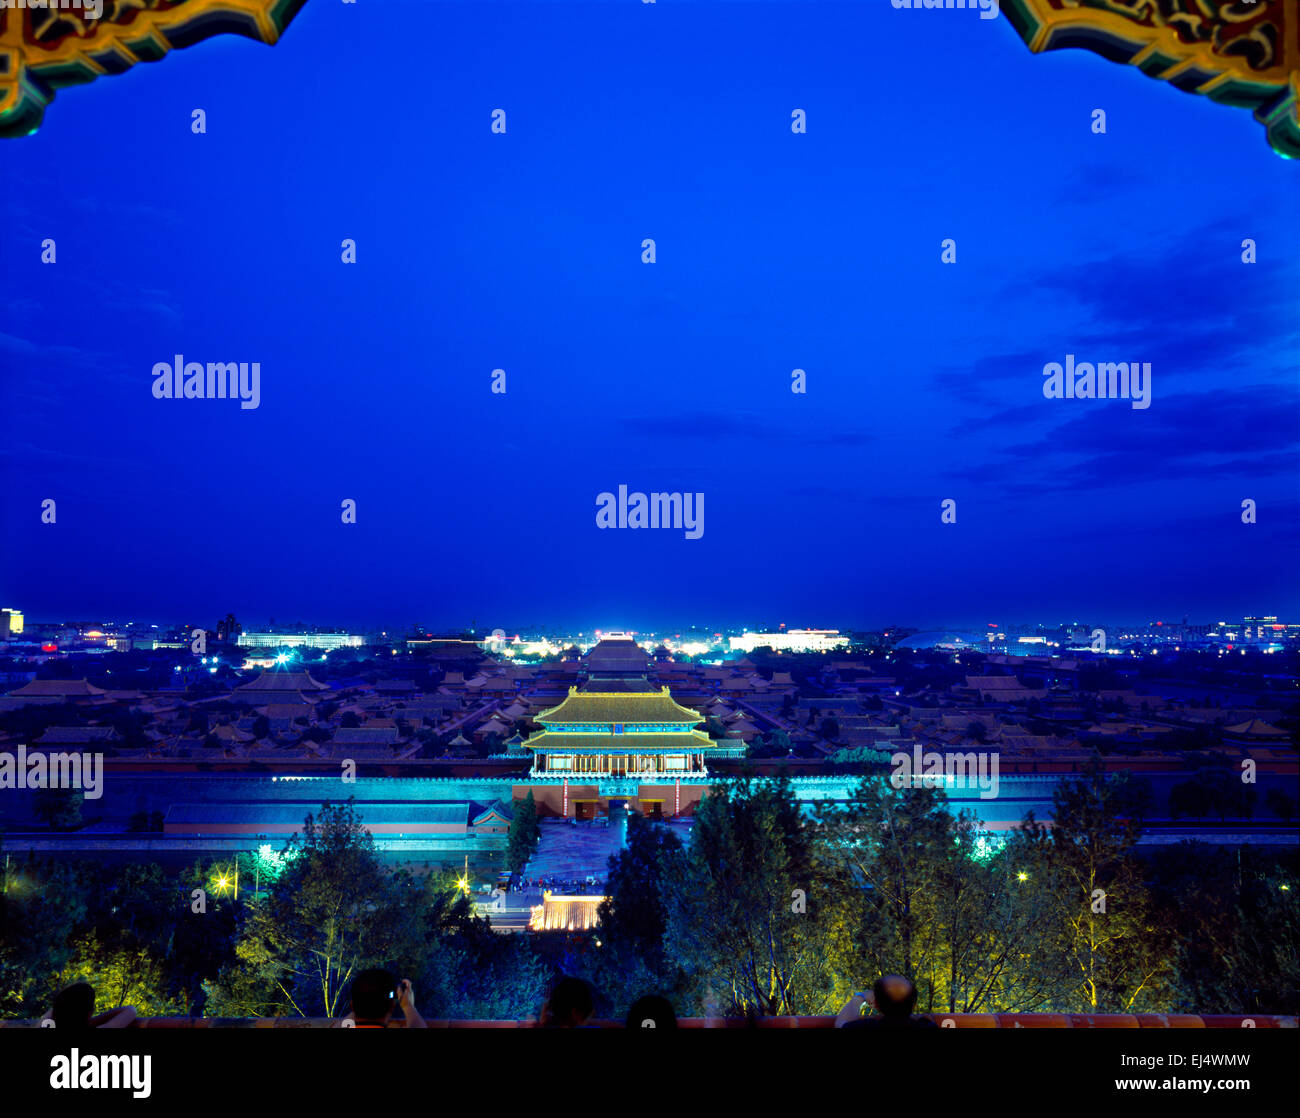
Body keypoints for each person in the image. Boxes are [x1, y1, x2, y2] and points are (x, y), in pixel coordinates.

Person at [836, 976, 938, 1029]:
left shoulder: (866, 1026)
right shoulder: (928, 1026)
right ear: (914, 1005)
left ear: (876, 1005)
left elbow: (841, 1023)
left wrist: (859, 998)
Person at [337, 969, 427, 1028]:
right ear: (392, 1006)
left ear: (352, 1005)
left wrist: (361, 1000)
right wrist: (408, 1006)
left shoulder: (345, 1025)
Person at [42, 982, 137, 1029]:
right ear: (89, 1012)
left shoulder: (45, 1025)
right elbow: (130, 1010)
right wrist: (93, 1021)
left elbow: (55, 1009)